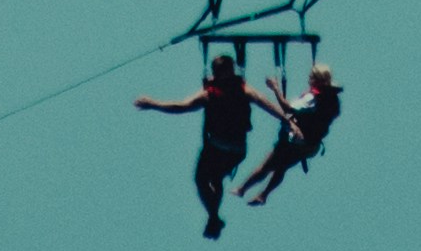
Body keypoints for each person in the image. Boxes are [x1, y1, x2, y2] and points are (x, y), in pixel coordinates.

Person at [134, 52, 259, 237]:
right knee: (215, 178)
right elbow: (266, 104)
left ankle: (214, 216)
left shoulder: (211, 93)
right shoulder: (242, 89)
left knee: (203, 179)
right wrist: (287, 119)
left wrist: (153, 104)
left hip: (219, 146)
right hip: (236, 149)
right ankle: (213, 216)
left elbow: (182, 107)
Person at [238, 61, 341, 209]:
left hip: (300, 142)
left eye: (311, 77)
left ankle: (243, 189)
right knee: (281, 166)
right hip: (313, 145)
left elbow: (287, 107)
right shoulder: (332, 99)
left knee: (269, 165)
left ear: (316, 79)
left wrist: (275, 88)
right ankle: (262, 195)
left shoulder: (312, 98)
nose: (308, 79)